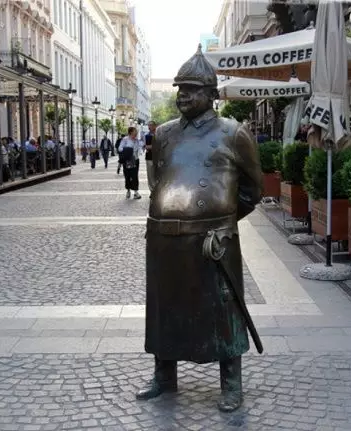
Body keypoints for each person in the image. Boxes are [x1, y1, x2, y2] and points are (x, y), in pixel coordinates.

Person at [136, 44, 263, 413]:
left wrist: (220, 222)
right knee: (164, 307)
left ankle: (231, 383)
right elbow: (159, 179)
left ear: (211, 94)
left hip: (213, 241)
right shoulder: (164, 134)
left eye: (191, 89)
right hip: (164, 238)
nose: (183, 95)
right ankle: (163, 375)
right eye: (179, 88)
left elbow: (253, 191)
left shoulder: (234, 133)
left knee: (223, 310)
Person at [118, 127, 141, 199]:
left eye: (136, 131)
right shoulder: (125, 139)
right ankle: (128, 191)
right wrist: (128, 150)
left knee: (135, 176)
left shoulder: (137, 140)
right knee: (127, 176)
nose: (136, 132)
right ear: (131, 132)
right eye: (135, 131)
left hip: (135, 160)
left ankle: (136, 192)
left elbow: (139, 148)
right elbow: (120, 148)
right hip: (128, 160)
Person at [144, 121, 157, 190]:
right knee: (150, 175)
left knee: (158, 174)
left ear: (155, 126)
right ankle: (152, 191)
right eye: (149, 125)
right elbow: (143, 145)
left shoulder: (160, 134)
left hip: (159, 157)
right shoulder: (146, 136)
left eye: (151, 125)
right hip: (149, 158)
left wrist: (152, 146)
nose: (149, 127)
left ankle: (158, 190)